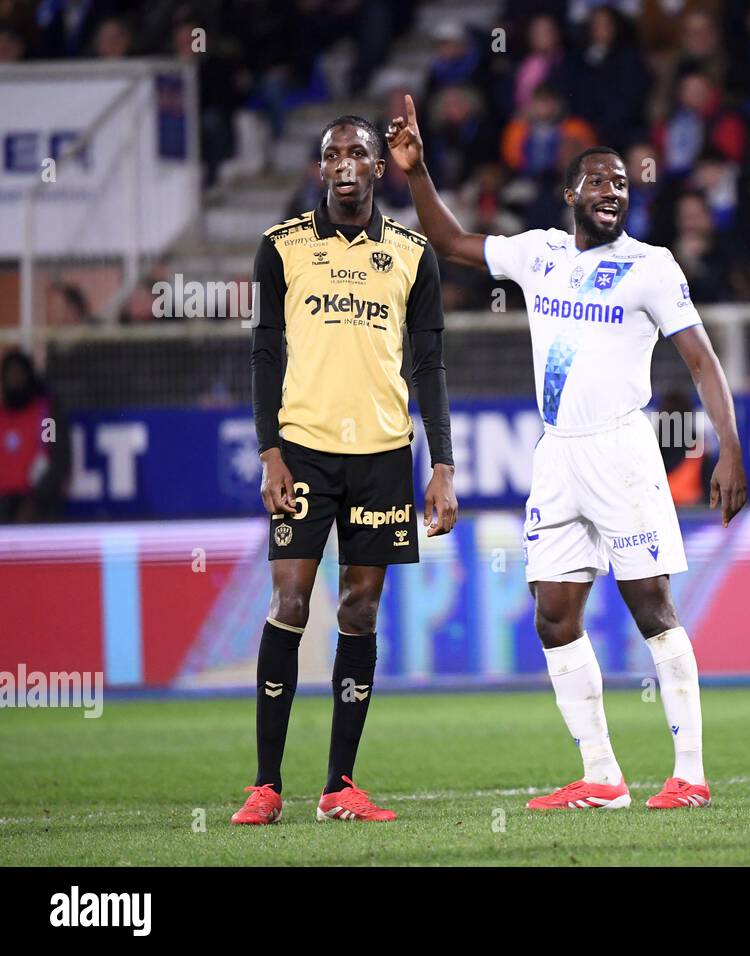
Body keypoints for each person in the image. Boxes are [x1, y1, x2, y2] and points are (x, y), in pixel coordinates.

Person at [387, 94, 747, 811]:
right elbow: (455, 246)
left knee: (650, 605)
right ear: (570, 193)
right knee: (553, 613)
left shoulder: (650, 265)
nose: (614, 192)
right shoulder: (539, 253)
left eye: (623, 184)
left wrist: (729, 451)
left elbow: (703, 361)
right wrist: (419, 172)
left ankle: (690, 774)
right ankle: (603, 776)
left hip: (621, 450)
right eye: (601, 182)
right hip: (557, 457)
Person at [230, 114, 457, 826]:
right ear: (321, 168)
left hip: (385, 456)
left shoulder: (415, 255)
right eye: (333, 153)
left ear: (378, 167)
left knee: (360, 608)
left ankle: (340, 785)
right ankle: (266, 785)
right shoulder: (282, 248)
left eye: (358, 151)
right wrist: (269, 451)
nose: (346, 162)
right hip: (303, 451)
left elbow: (430, 365)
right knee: (292, 601)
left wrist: (441, 463)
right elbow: (266, 354)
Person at [0, 350, 68, 523]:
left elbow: (54, 456)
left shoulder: (45, 415)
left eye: (19, 373)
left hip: (35, 505)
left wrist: (37, 500)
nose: (14, 378)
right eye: (10, 373)